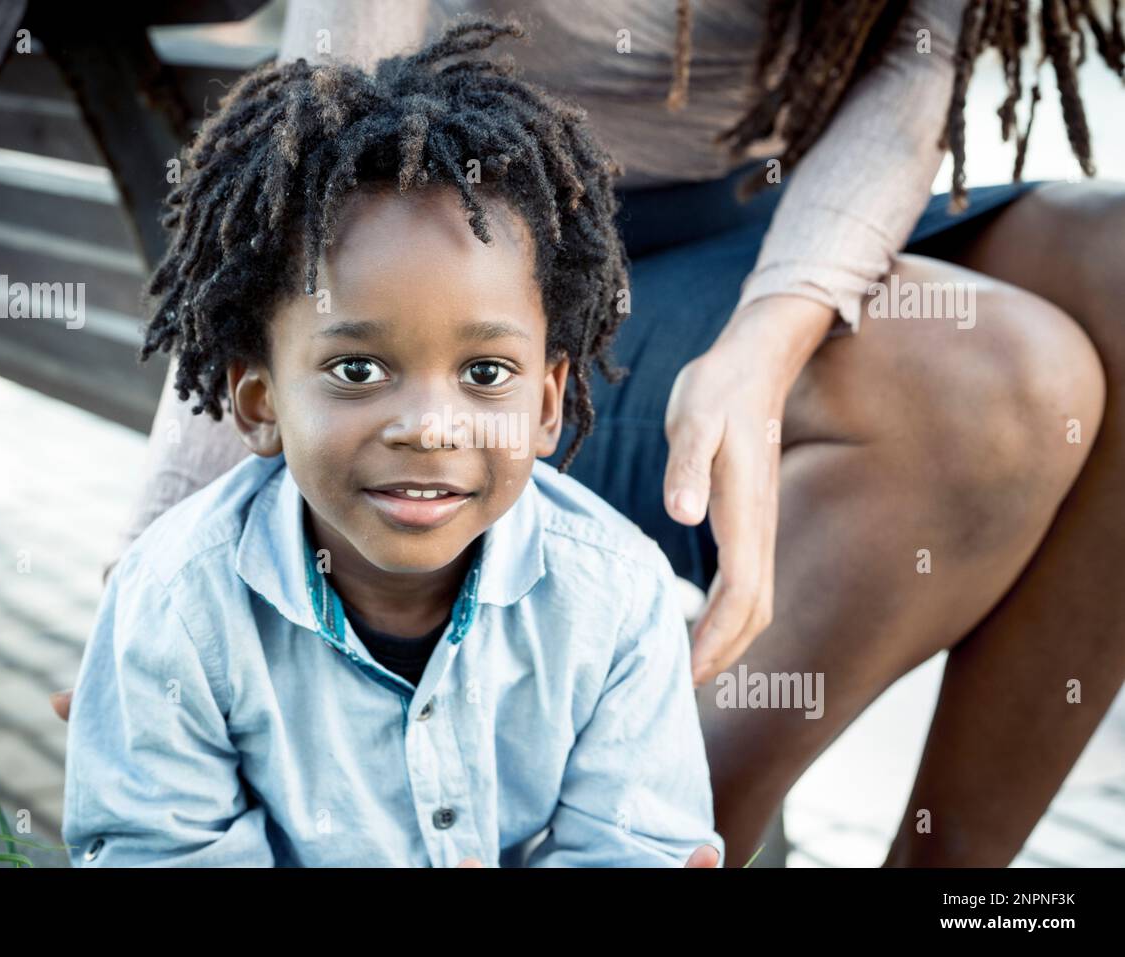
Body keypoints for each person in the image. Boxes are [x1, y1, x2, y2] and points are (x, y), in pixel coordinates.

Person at [64, 0, 1125, 867]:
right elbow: (323, 122)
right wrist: (161, 541)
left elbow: (908, 67)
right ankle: (696, 824)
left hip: (769, 231)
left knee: (1114, 260)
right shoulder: (193, 591)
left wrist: (766, 347)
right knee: (1002, 380)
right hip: (474, 256)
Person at [61, 22, 724, 867]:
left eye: (485, 372)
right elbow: (158, 851)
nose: (430, 426)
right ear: (260, 402)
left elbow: (634, 847)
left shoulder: (619, 599)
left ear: (546, 402)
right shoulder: (176, 609)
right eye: (358, 368)